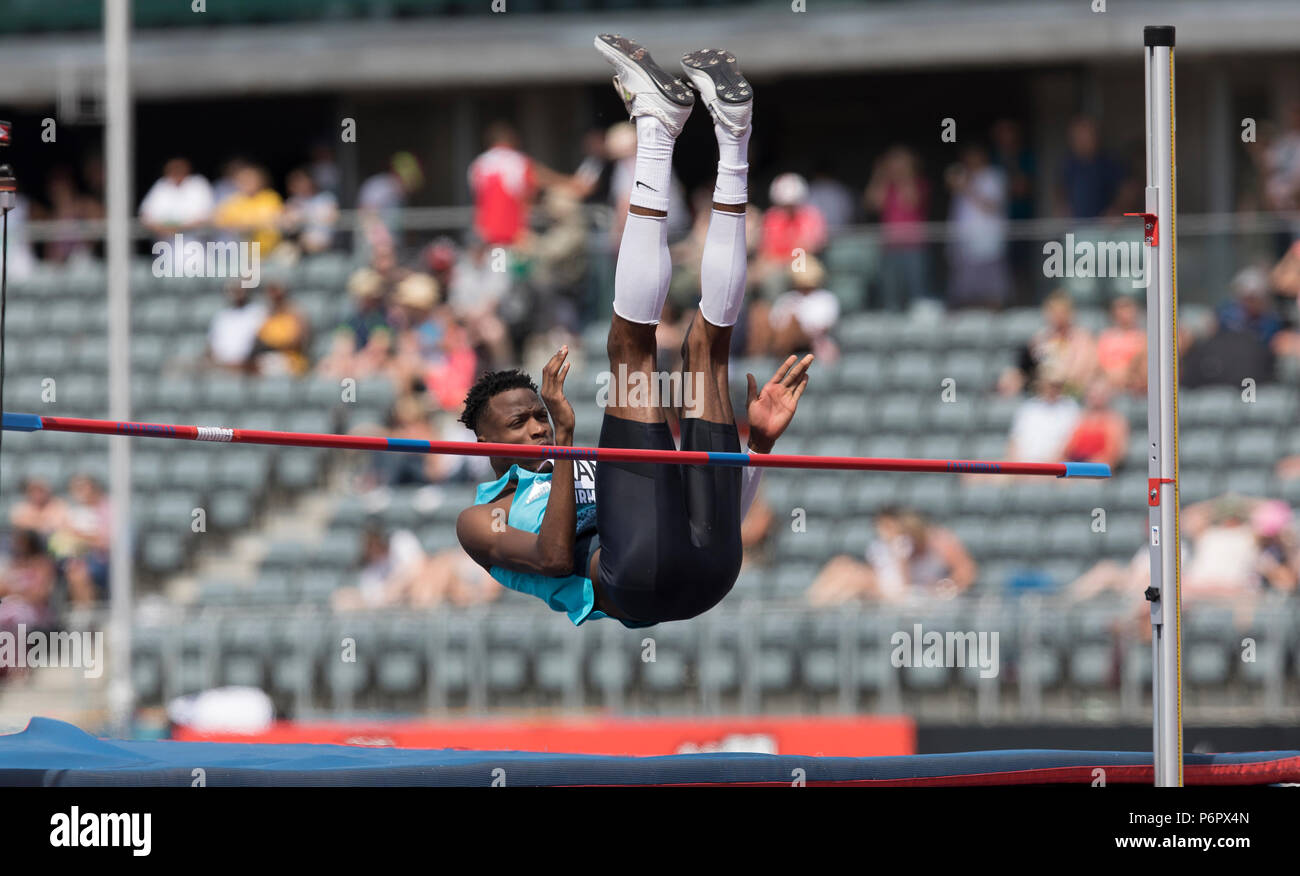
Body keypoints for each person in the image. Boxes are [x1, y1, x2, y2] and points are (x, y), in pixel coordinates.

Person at [455, 36, 811, 628]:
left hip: (710, 567)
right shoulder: (481, 518)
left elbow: (711, 515)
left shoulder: (584, 462)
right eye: (519, 424)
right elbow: (552, 557)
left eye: (538, 415)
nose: (539, 427)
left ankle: (733, 133)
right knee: (631, 352)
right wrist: (568, 443)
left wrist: (758, 450)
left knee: (705, 352)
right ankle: (655, 128)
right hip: (643, 578)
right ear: (483, 443)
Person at [138, 157, 215, 243]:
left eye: (179, 169)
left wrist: (176, 228)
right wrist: (163, 228)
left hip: (195, 245)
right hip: (164, 246)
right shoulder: (161, 185)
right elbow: (145, 215)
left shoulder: (198, 183)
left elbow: (207, 216)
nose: (176, 172)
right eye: (173, 170)